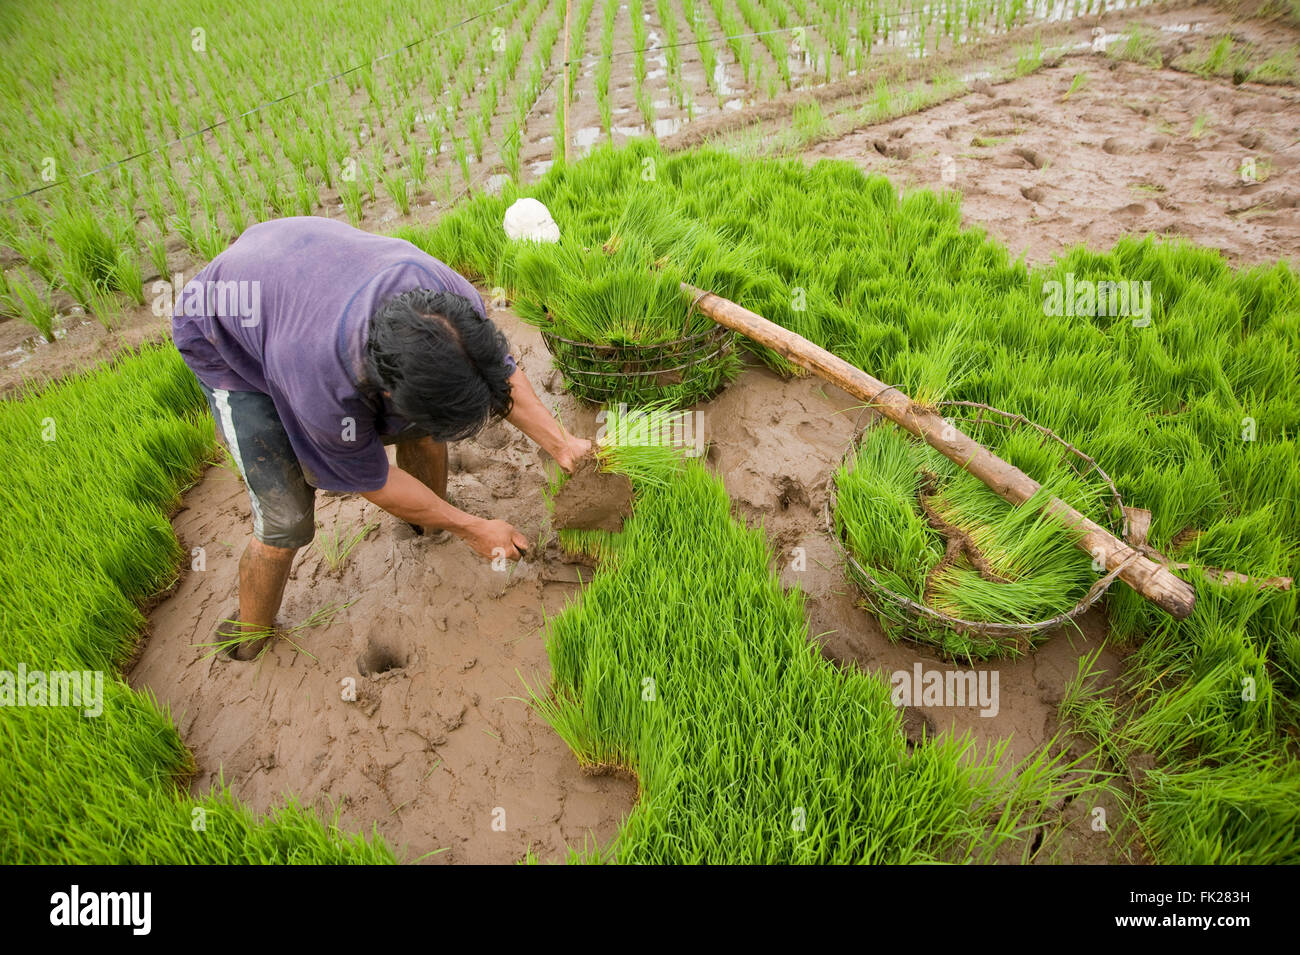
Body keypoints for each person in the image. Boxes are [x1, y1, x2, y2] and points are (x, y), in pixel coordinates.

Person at [171, 216, 590, 659]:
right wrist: (472, 528)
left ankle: (427, 528)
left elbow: (499, 373)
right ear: (388, 391)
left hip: (296, 264)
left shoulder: (452, 306)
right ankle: (248, 635)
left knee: (426, 425)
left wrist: (562, 444)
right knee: (286, 518)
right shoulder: (322, 381)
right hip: (224, 329)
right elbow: (371, 479)